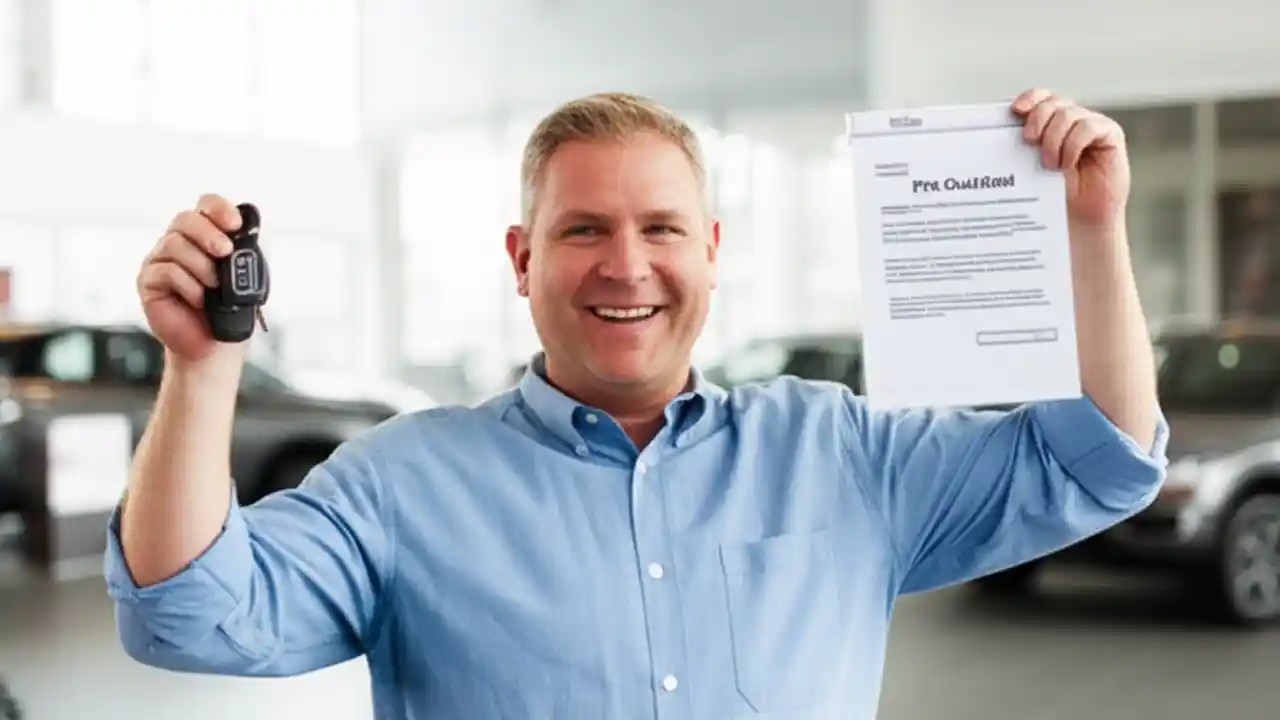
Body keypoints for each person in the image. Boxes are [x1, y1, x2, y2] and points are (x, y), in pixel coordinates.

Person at [107, 88, 1168, 719]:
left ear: (710, 253)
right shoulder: (403, 482)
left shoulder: (836, 449)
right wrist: (202, 368)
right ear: (521, 259)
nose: (627, 266)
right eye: (583, 230)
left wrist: (1089, 228)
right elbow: (189, 615)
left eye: (661, 228)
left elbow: (1100, 462)